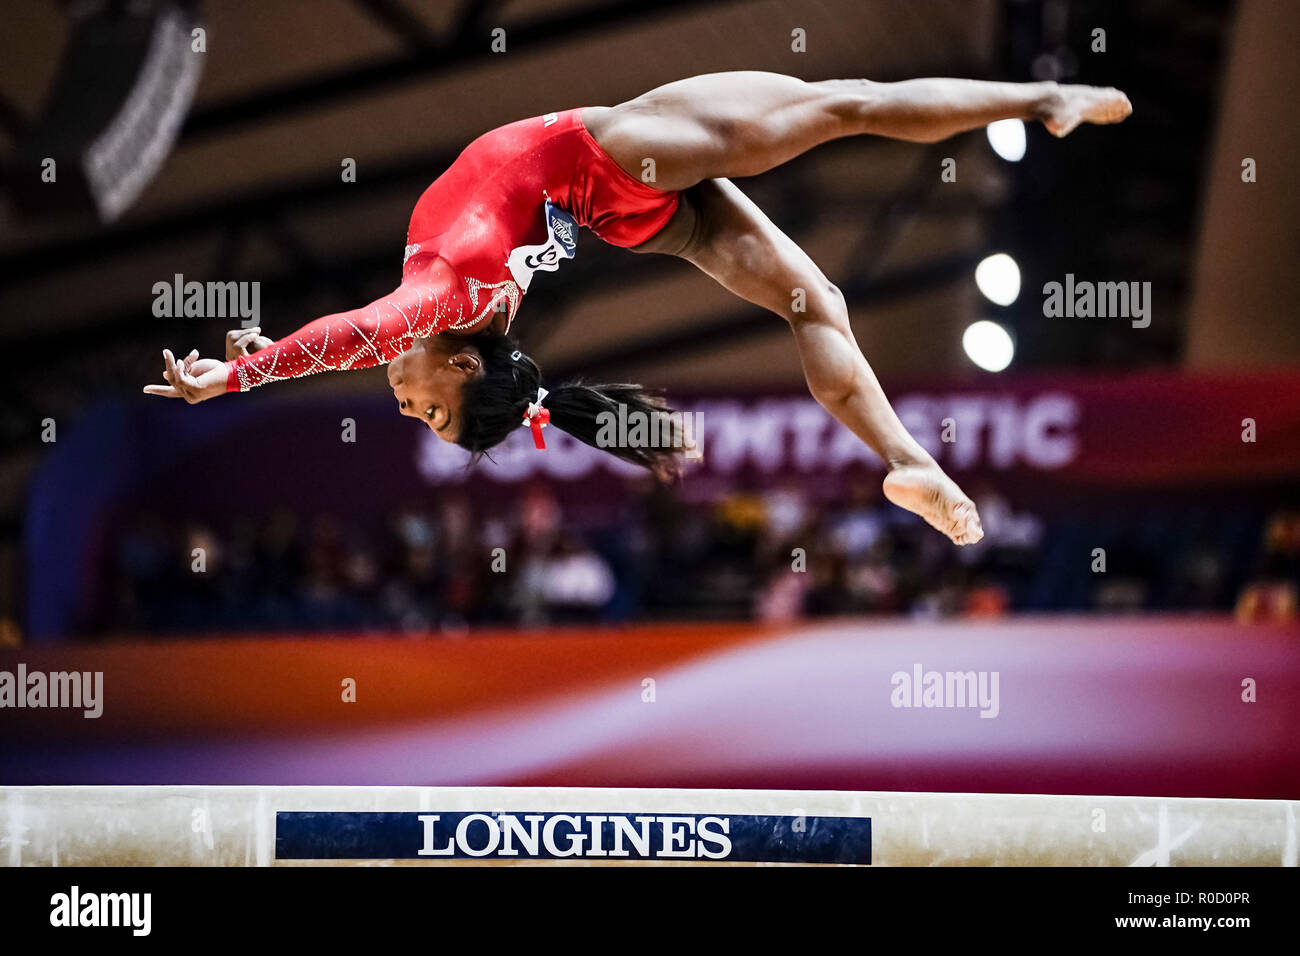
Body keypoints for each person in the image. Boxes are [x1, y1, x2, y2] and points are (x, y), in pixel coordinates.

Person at [144, 72, 1131, 545]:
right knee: (845, 106)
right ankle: (1037, 99)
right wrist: (240, 373)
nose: (405, 402)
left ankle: (912, 462)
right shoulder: (439, 303)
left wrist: (253, 359)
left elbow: (342, 341)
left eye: (421, 416)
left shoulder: (455, 315)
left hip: (618, 210)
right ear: (463, 365)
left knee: (812, 299)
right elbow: (351, 337)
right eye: (430, 409)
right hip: (615, 159)